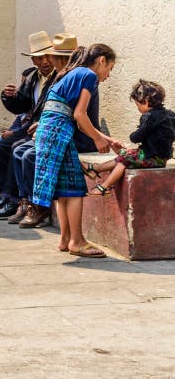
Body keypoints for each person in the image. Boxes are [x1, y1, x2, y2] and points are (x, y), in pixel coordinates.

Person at [32, 43, 119, 257]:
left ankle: (65, 239)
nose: (108, 75)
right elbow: (81, 116)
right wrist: (98, 139)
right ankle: (77, 241)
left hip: (50, 131)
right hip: (58, 133)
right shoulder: (88, 75)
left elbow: (75, 116)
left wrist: (108, 139)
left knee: (64, 188)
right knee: (74, 187)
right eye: (110, 68)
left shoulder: (71, 73)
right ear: (101, 61)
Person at [8, 34, 100, 226]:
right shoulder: (66, 77)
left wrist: (99, 138)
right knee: (18, 150)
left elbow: (78, 115)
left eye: (51, 57)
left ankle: (39, 206)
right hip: (59, 133)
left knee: (30, 156)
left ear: (62, 59)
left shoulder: (80, 77)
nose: (48, 62)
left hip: (71, 136)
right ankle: (27, 202)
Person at [0, 31, 55, 217]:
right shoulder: (33, 76)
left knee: (16, 146)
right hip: (30, 126)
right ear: (34, 61)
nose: (45, 62)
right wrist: (8, 97)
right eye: (40, 58)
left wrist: (19, 130)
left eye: (48, 56)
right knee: (2, 144)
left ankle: (12, 197)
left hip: (41, 127)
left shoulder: (58, 77)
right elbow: (21, 106)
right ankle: (0, 193)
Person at [83, 80, 175, 196]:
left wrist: (133, 135)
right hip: (161, 158)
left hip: (151, 158)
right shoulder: (170, 114)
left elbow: (137, 137)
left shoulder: (149, 116)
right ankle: (95, 168)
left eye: (137, 105)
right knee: (125, 154)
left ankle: (102, 187)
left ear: (145, 102)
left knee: (123, 160)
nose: (138, 109)